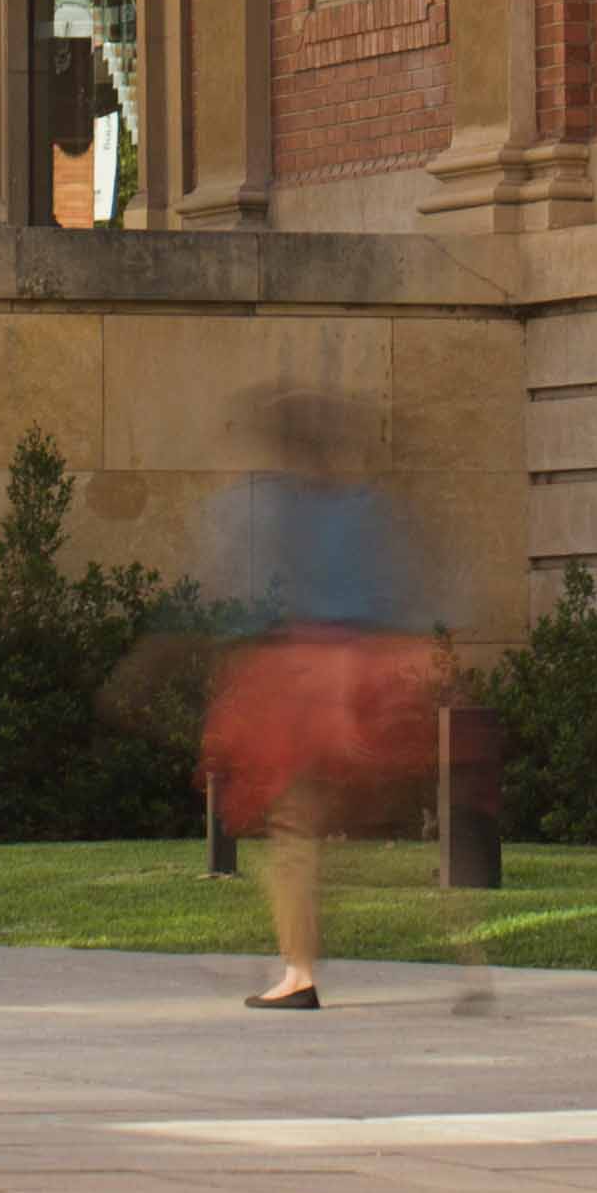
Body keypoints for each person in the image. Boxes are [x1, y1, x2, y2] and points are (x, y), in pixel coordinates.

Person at [200, 391, 443, 1013]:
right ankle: (452, 946)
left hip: (317, 672)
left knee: (293, 821)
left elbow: (274, 593)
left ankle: (298, 970)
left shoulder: (288, 508)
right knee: (360, 809)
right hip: (367, 667)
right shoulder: (366, 507)